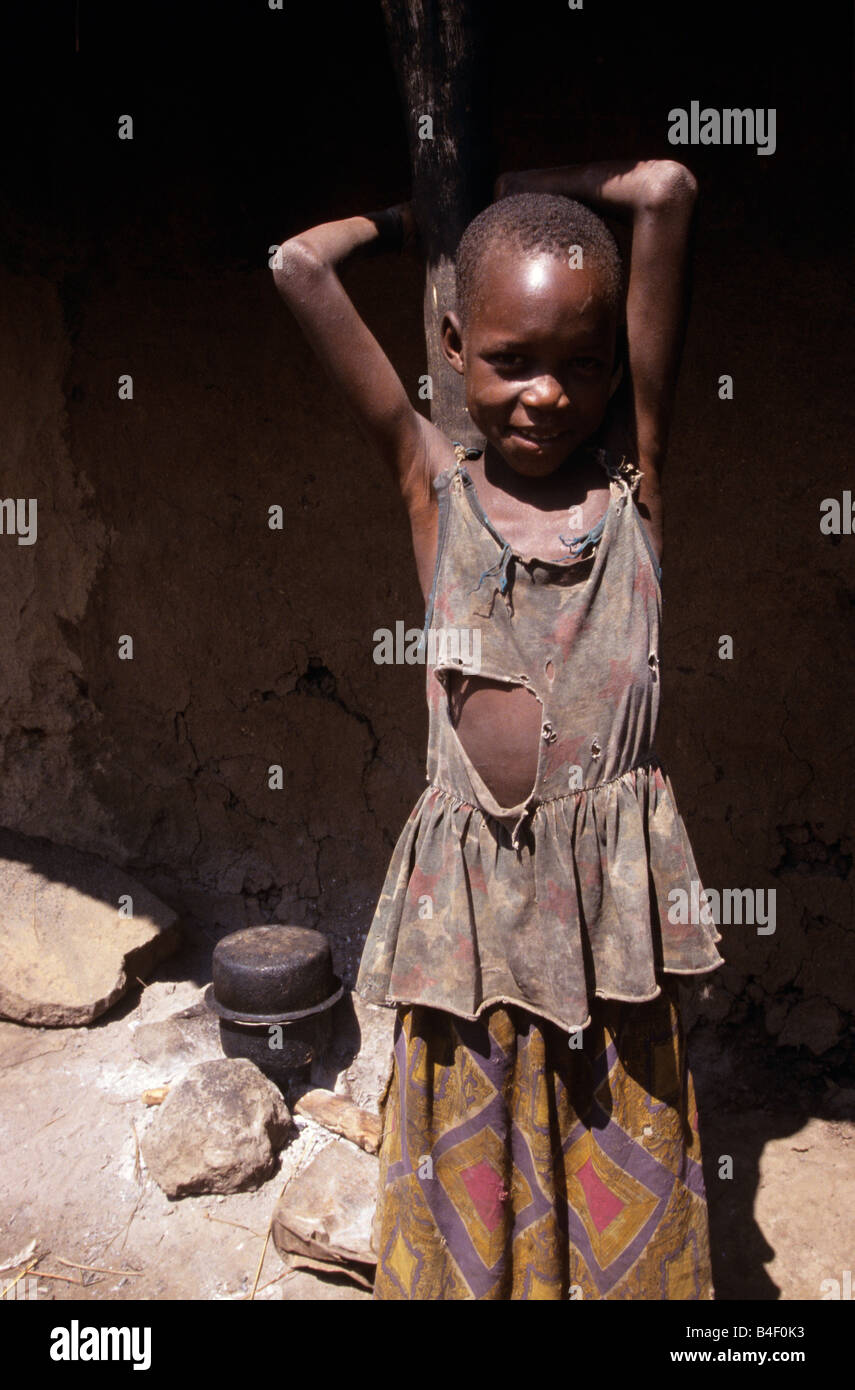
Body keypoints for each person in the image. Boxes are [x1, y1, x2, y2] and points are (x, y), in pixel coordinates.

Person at [271, 159, 724, 1300]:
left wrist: (513, 182)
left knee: (621, 1158)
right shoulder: (436, 487)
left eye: (582, 365)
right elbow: (298, 265)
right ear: (453, 344)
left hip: (609, 923)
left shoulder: (637, 493)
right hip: (468, 924)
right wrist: (423, 207)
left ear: (616, 365)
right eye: (510, 361)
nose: (547, 396)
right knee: (471, 1183)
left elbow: (665, 188)